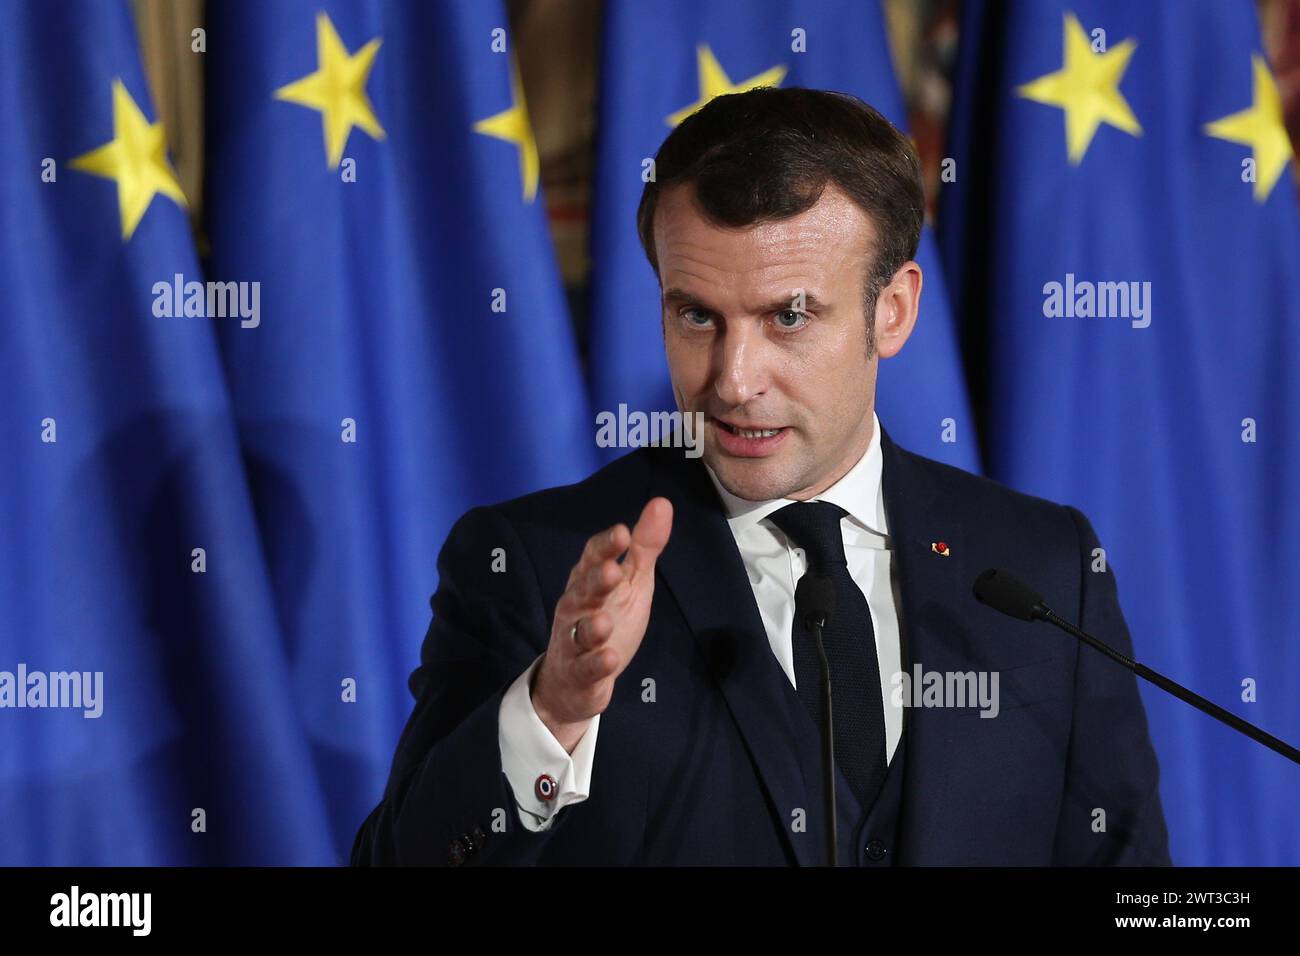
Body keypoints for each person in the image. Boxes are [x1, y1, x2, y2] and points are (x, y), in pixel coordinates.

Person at [351, 87, 1171, 866]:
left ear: (894, 310)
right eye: (696, 315)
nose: (734, 380)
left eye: (789, 316)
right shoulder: (535, 565)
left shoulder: (1041, 564)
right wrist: (554, 708)